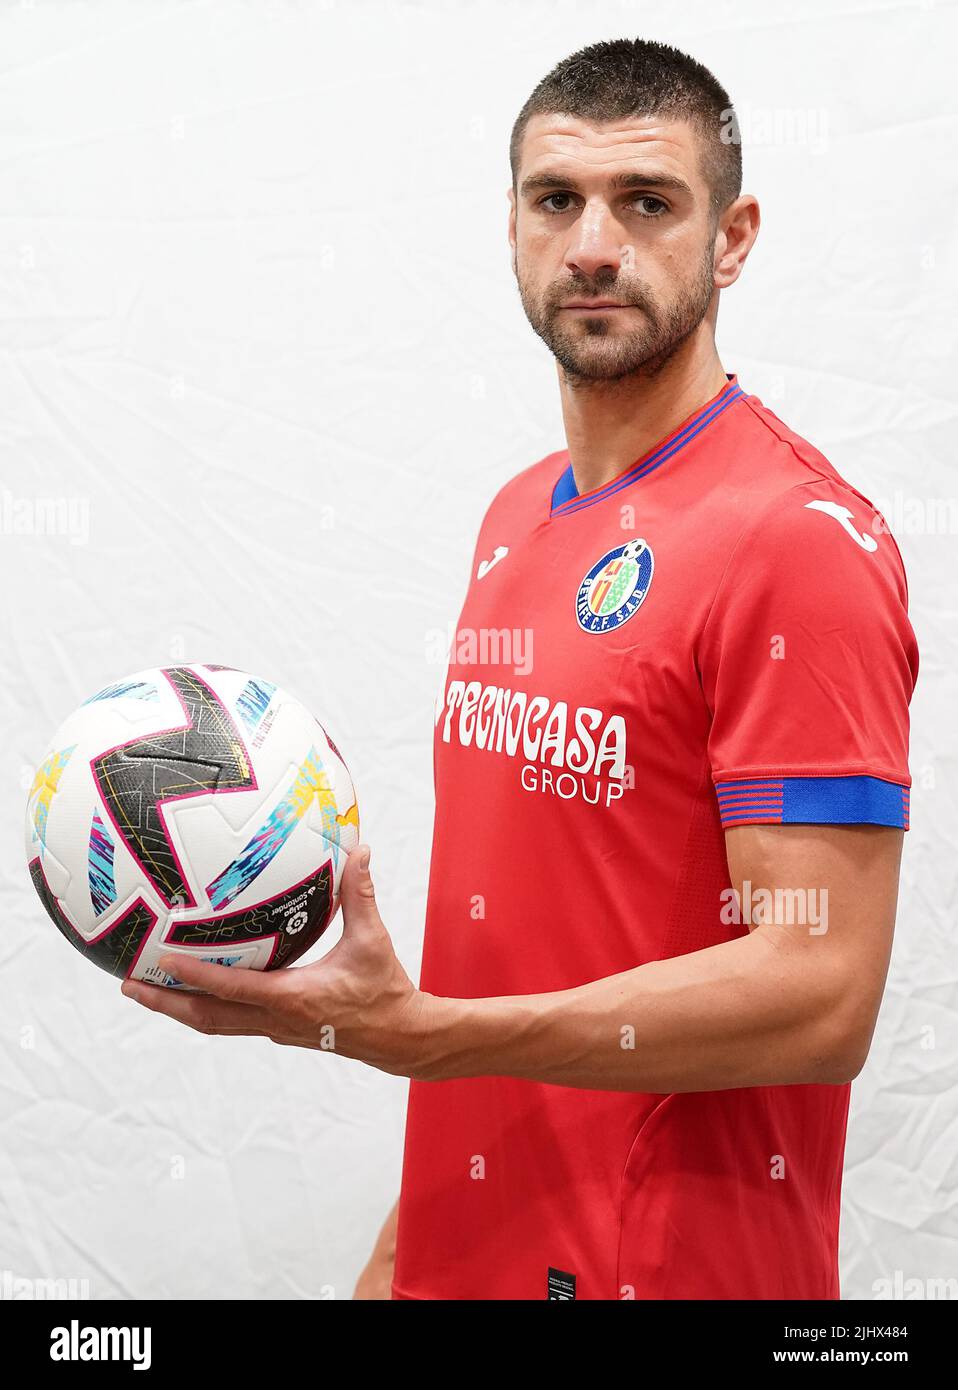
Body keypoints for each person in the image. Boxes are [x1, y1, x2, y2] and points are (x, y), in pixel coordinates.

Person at [124, 37, 918, 1301]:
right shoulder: (513, 516)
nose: (594, 245)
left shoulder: (798, 542)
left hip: (662, 1268)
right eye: (557, 200)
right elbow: (527, 935)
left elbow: (821, 995)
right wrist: (409, 1242)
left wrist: (429, 1040)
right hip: (469, 1248)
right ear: (510, 226)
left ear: (733, 235)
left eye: (647, 202)